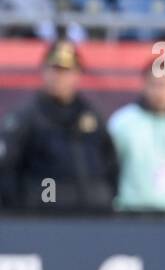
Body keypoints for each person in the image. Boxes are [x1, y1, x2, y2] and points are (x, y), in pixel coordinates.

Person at [0, 38, 117, 211]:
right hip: (42, 220)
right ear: (43, 71)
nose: (59, 77)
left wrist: (103, 196)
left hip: (92, 217)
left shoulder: (92, 117)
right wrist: (21, 213)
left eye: (66, 71)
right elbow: (7, 171)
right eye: (54, 69)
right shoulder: (24, 119)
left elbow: (111, 165)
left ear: (78, 74)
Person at [107, 61, 165, 211]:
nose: (160, 91)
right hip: (132, 211)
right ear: (143, 85)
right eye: (154, 84)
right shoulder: (121, 123)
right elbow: (109, 168)